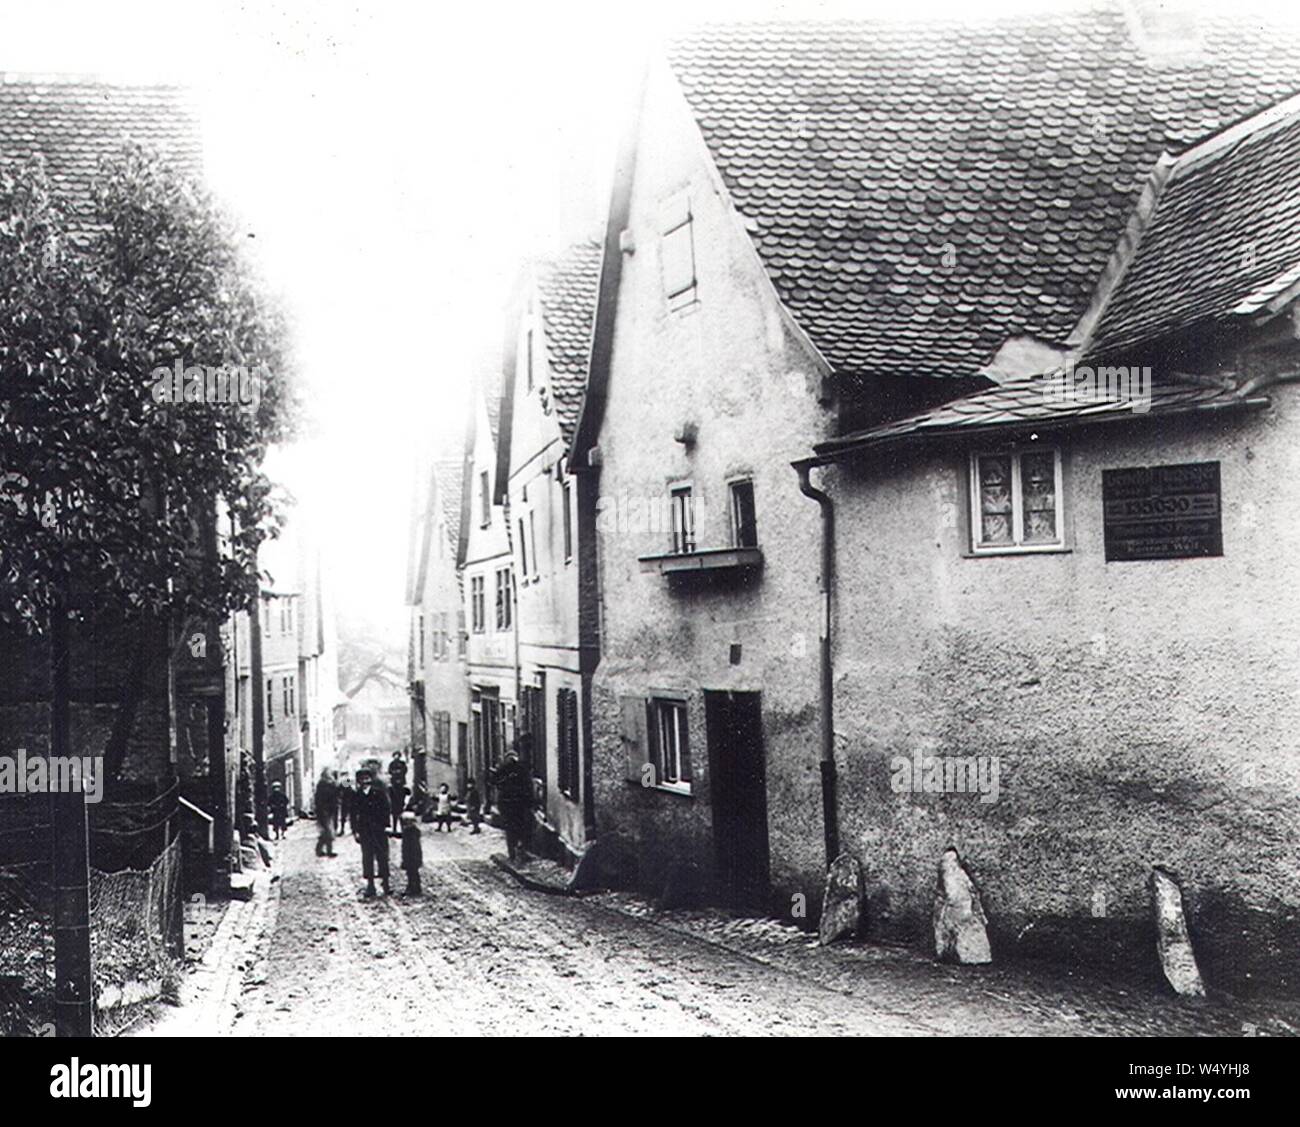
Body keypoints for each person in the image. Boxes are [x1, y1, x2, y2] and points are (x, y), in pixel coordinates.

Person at [352, 769, 391, 897]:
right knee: (367, 858)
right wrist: (355, 831)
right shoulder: (357, 796)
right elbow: (354, 815)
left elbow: (386, 809)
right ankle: (370, 885)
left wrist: (386, 825)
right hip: (365, 831)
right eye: (362, 779)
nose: (365, 781)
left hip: (379, 830)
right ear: (359, 781)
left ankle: (386, 884)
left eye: (367, 778)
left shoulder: (379, 793)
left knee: (382, 856)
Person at [489, 749, 532, 862]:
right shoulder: (519, 768)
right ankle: (517, 851)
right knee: (518, 827)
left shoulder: (505, 769)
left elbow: (493, 781)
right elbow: (527, 784)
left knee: (511, 828)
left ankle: (514, 852)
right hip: (516, 803)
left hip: (509, 803)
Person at [315, 769, 339, 857]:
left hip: (331, 810)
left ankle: (320, 849)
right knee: (328, 831)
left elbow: (342, 788)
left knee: (328, 831)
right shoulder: (322, 784)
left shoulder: (332, 783)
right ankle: (327, 850)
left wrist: (347, 779)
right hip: (324, 811)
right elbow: (319, 799)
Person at [399, 810, 423, 896]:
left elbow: (408, 846)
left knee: (411, 873)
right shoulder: (414, 832)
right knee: (414, 872)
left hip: (410, 856)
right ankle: (416, 887)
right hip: (414, 856)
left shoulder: (408, 832)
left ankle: (412, 887)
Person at [387, 752, 408, 835]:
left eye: (398, 756)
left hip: (400, 796)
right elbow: (390, 771)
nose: (396, 757)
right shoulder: (391, 764)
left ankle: (403, 828)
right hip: (395, 796)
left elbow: (404, 770)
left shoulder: (402, 764)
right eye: (395, 756)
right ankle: (394, 828)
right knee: (395, 813)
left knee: (401, 812)